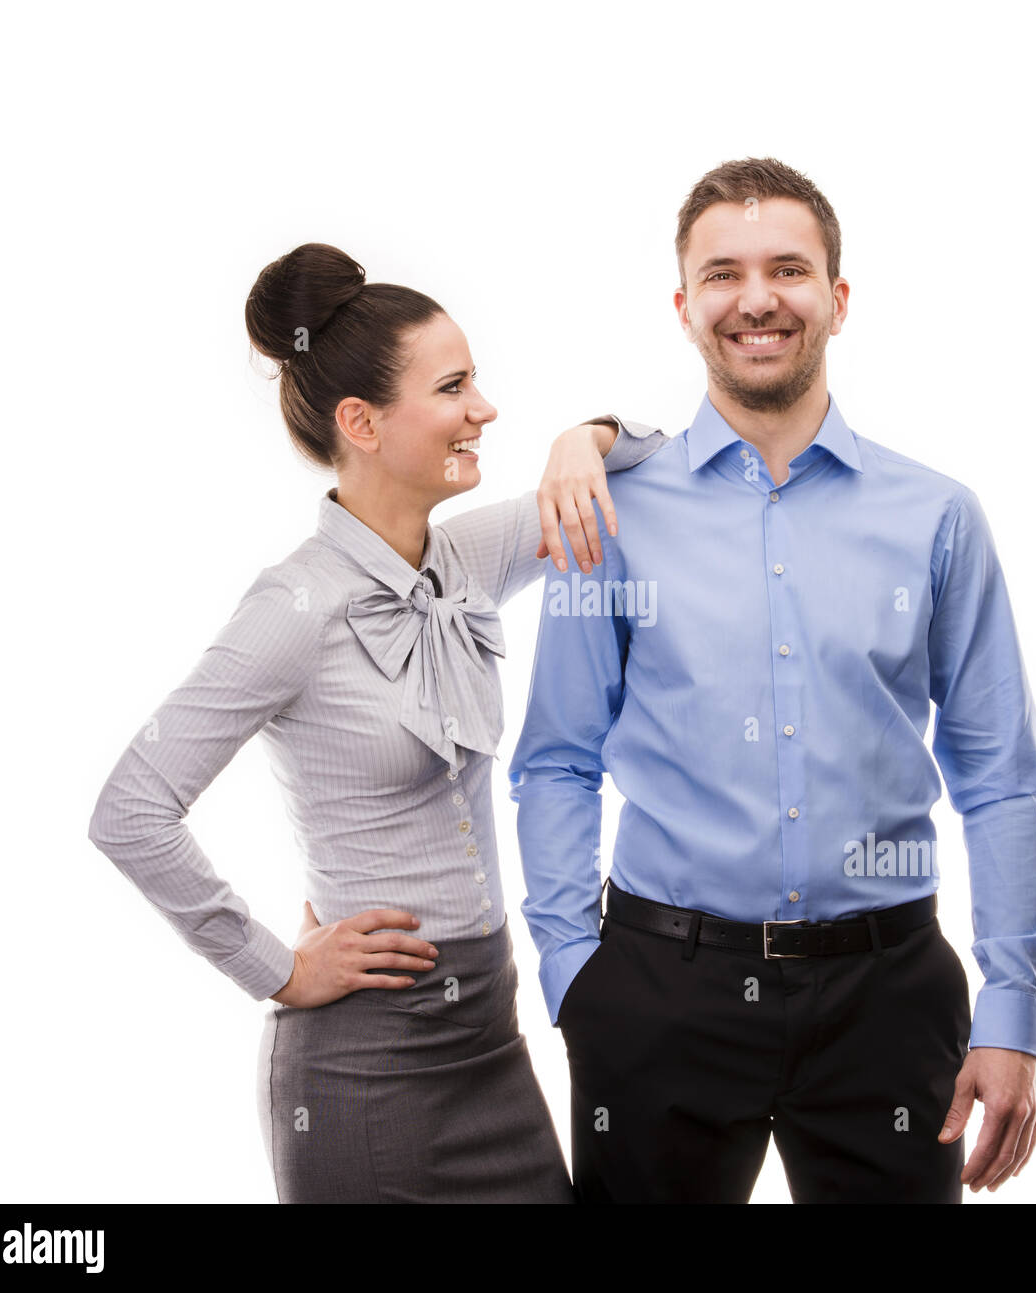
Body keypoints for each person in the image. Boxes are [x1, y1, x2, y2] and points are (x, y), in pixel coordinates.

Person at [509, 158, 1036, 1204]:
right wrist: (576, 975)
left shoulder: (937, 518)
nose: (756, 299)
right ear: (683, 307)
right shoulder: (607, 512)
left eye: (788, 270)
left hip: (888, 1000)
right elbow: (556, 760)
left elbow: (998, 777)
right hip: (656, 993)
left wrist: (1013, 1008)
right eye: (722, 275)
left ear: (837, 301)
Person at [86, 242, 667, 1204]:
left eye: (476, 380)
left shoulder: (468, 555)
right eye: (454, 386)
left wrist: (586, 436)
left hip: (492, 1039)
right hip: (363, 1071)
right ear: (361, 421)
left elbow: (649, 463)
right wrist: (274, 965)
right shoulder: (294, 606)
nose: (485, 408)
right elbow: (130, 808)